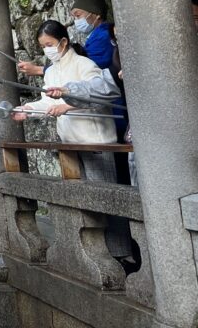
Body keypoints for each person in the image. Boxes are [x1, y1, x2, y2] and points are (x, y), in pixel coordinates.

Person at [12, 20, 132, 263]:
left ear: (64, 42)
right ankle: (95, 253)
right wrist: (28, 109)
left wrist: (67, 104)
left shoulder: (84, 64)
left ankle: (123, 255)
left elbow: (99, 95)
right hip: (71, 144)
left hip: (97, 142)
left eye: (50, 44)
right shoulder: (53, 70)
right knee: (86, 202)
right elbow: (47, 101)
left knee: (108, 201)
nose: (47, 50)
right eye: (43, 46)